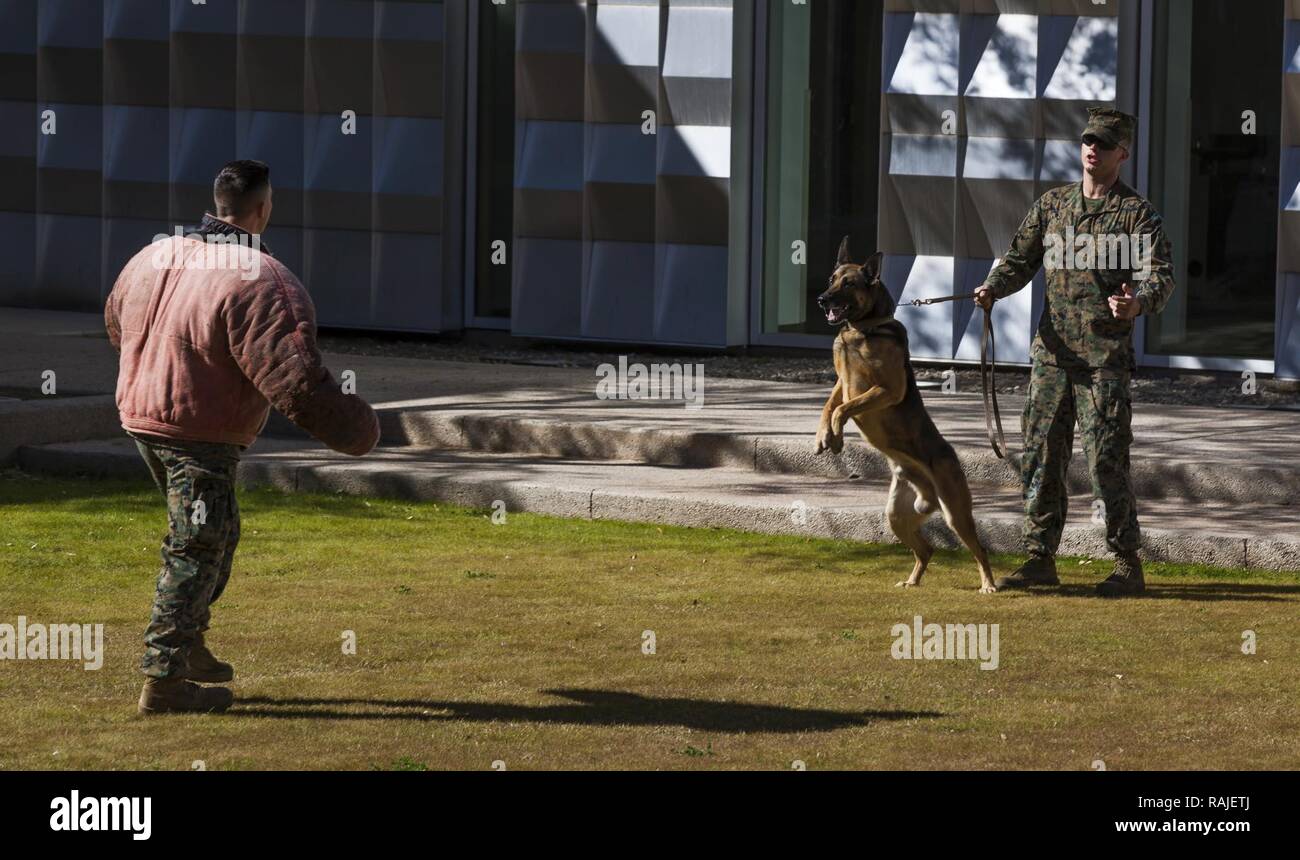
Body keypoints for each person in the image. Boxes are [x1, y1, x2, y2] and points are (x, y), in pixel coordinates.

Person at [105, 160, 380, 713]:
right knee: (196, 548)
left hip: (142, 417)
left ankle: (192, 643)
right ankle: (163, 680)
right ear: (264, 208)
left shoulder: (154, 254)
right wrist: (358, 430)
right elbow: (296, 380)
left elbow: (116, 323)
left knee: (218, 534)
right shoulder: (261, 277)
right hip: (198, 430)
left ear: (216, 203)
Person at [973, 108, 1176, 597]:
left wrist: (1137, 303)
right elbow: (1019, 260)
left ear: (1122, 153)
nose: (1093, 150)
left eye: (1104, 144)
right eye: (1088, 141)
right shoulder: (1053, 206)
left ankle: (1127, 563)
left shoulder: (1137, 215)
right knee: (1041, 453)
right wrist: (992, 289)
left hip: (1103, 360)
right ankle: (1040, 557)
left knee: (1107, 458)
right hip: (1052, 356)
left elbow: (1161, 278)